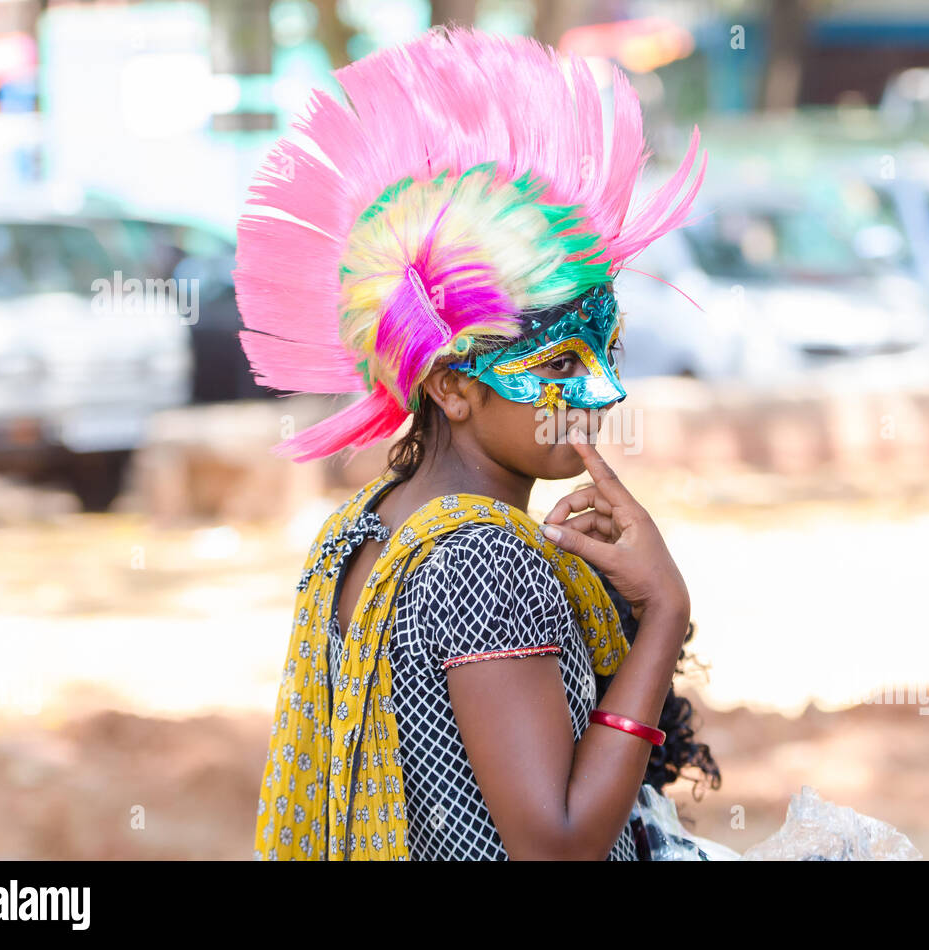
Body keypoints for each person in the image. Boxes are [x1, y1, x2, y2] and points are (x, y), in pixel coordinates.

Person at [245, 24, 719, 861]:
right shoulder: (483, 562)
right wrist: (665, 613)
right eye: (558, 362)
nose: (604, 391)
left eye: (608, 352)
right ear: (452, 385)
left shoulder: (365, 526)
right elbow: (559, 845)